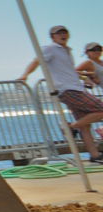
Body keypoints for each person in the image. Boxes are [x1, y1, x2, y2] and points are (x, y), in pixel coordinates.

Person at [18, 26, 103, 163]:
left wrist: (85, 78)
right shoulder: (50, 48)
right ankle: (69, 126)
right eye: (59, 33)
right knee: (100, 110)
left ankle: (94, 155)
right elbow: (37, 61)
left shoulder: (67, 51)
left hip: (75, 87)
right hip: (68, 90)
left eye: (65, 33)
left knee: (85, 125)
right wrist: (25, 75)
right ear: (52, 36)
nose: (63, 35)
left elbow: (70, 71)